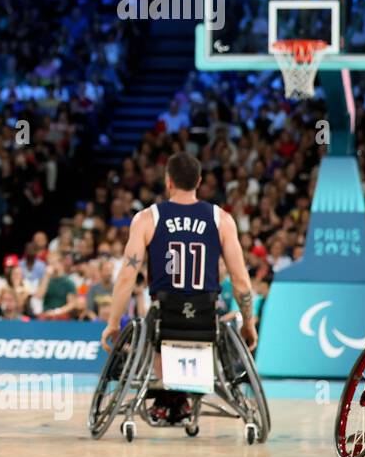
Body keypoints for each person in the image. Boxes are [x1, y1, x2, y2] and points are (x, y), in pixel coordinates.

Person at [101, 151, 257, 425]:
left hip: (165, 316)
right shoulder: (222, 219)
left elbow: (127, 277)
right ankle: (182, 397)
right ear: (199, 181)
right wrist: (250, 323)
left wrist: (113, 323)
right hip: (206, 316)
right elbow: (241, 280)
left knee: (157, 326)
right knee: (204, 327)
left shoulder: (147, 218)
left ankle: (168, 398)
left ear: (168, 181)